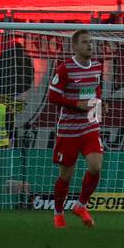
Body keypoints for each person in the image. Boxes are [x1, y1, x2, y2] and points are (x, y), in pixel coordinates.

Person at [46, 29, 104, 228]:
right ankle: (58, 213)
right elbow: (53, 97)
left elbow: (96, 89)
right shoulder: (65, 68)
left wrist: (98, 104)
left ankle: (81, 205)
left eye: (91, 42)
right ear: (75, 46)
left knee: (96, 167)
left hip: (89, 125)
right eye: (86, 42)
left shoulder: (97, 66)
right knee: (66, 175)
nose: (90, 45)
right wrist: (75, 104)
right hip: (69, 129)